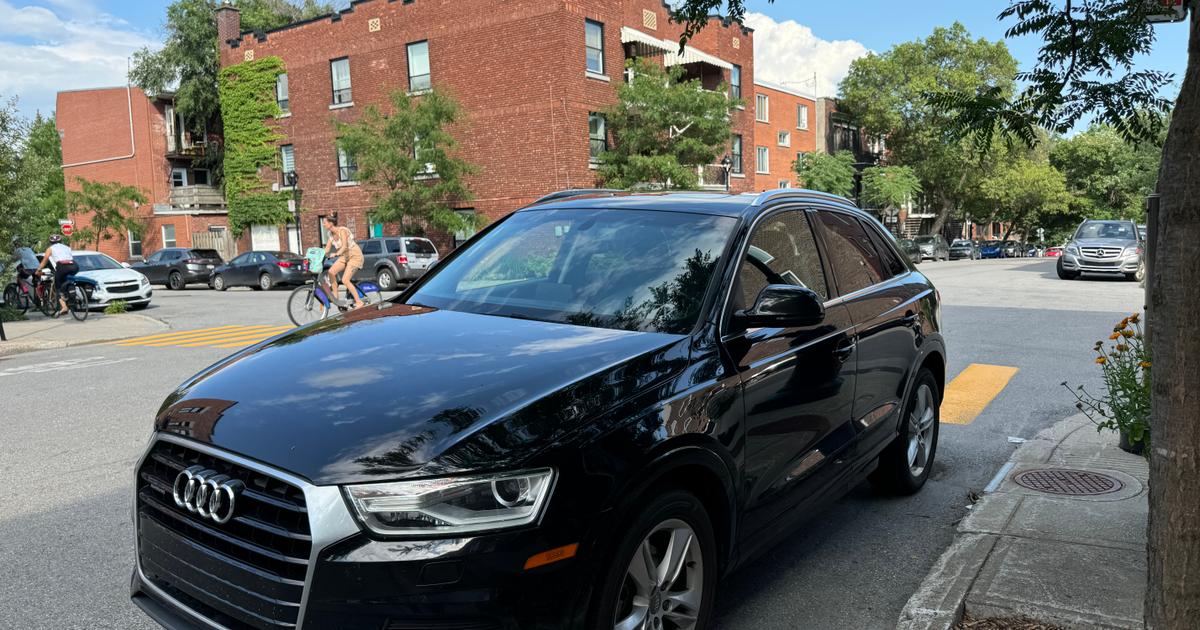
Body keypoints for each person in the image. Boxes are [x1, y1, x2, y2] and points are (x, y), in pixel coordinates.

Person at [321, 214, 365, 308]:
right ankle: (335, 296)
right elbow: (327, 249)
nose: (323, 225)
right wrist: (317, 254)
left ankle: (359, 302)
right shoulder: (330, 234)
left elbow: (344, 246)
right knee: (331, 272)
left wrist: (336, 253)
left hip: (355, 256)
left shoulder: (342, 231)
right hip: (344, 256)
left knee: (345, 280)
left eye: (324, 223)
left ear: (331, 223)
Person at [35, 234, 77, 317]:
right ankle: (70, 294)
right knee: (67, 282)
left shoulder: (50, 249)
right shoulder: (67, 247)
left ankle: (64, 307)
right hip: (74, 266)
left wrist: (38, 270)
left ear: (50, 242)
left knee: (58, 287)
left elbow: (45, 260)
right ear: (60, 241)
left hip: (62, 267)